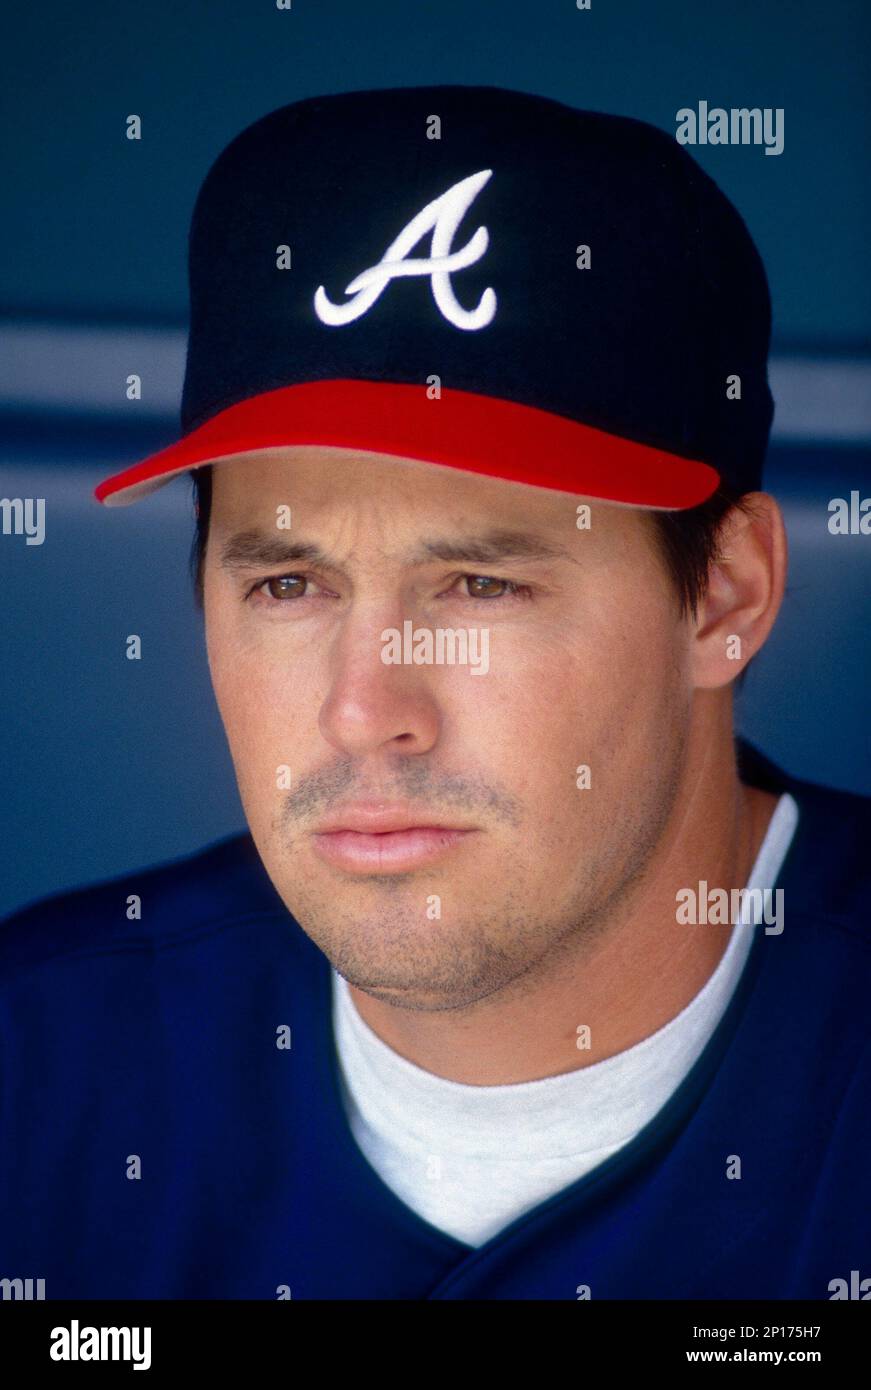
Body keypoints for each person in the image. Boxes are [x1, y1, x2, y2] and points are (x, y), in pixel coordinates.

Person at [1, 85, 868, 1301]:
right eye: (290, 583)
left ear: (724, 596)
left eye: (478, 584)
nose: (363, 710)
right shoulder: (38, 1064)